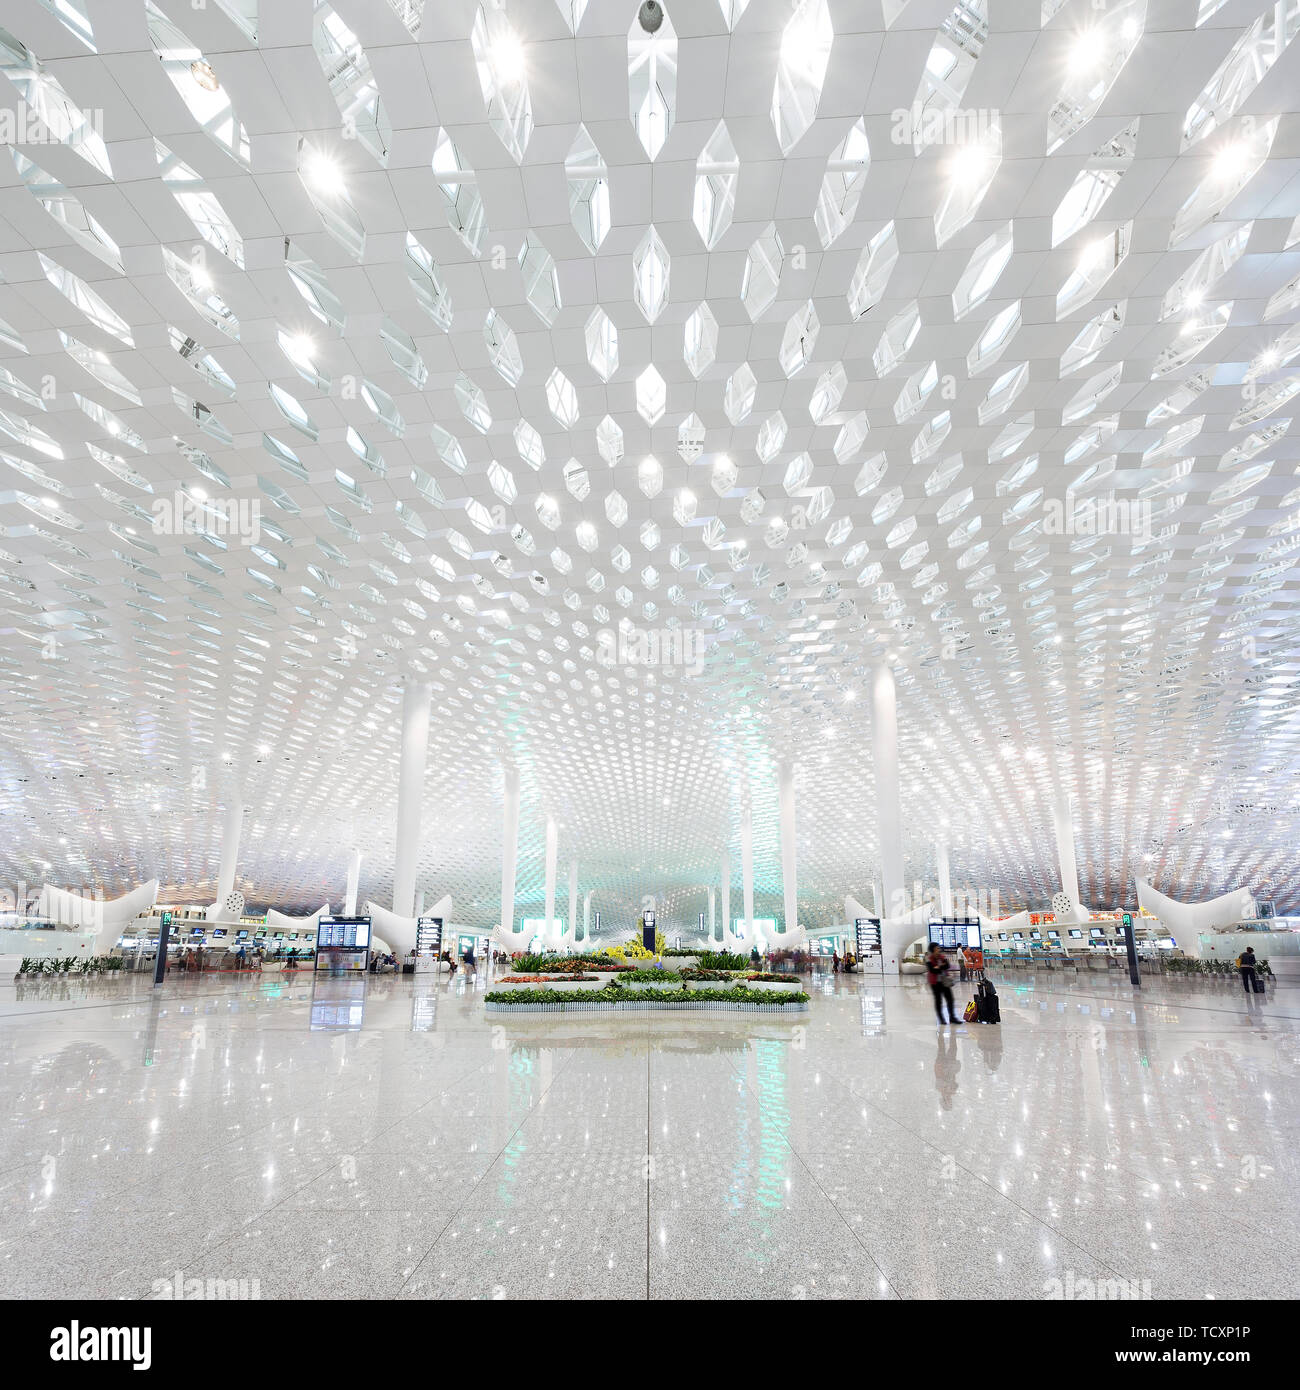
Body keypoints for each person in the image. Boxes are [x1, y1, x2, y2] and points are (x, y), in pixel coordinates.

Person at [925, 943, 962, 1026]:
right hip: (935, 983)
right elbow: (932, 970)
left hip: (944, 982)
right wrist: (941, 966)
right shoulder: (929, 959)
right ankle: (941, 1018)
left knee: (950, 999)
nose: (939, 950)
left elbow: (947, 966)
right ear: (933, 950)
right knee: (939, 1001)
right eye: (937, 948)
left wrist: (938, 967)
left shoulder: (942, 957)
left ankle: (952, 1017)